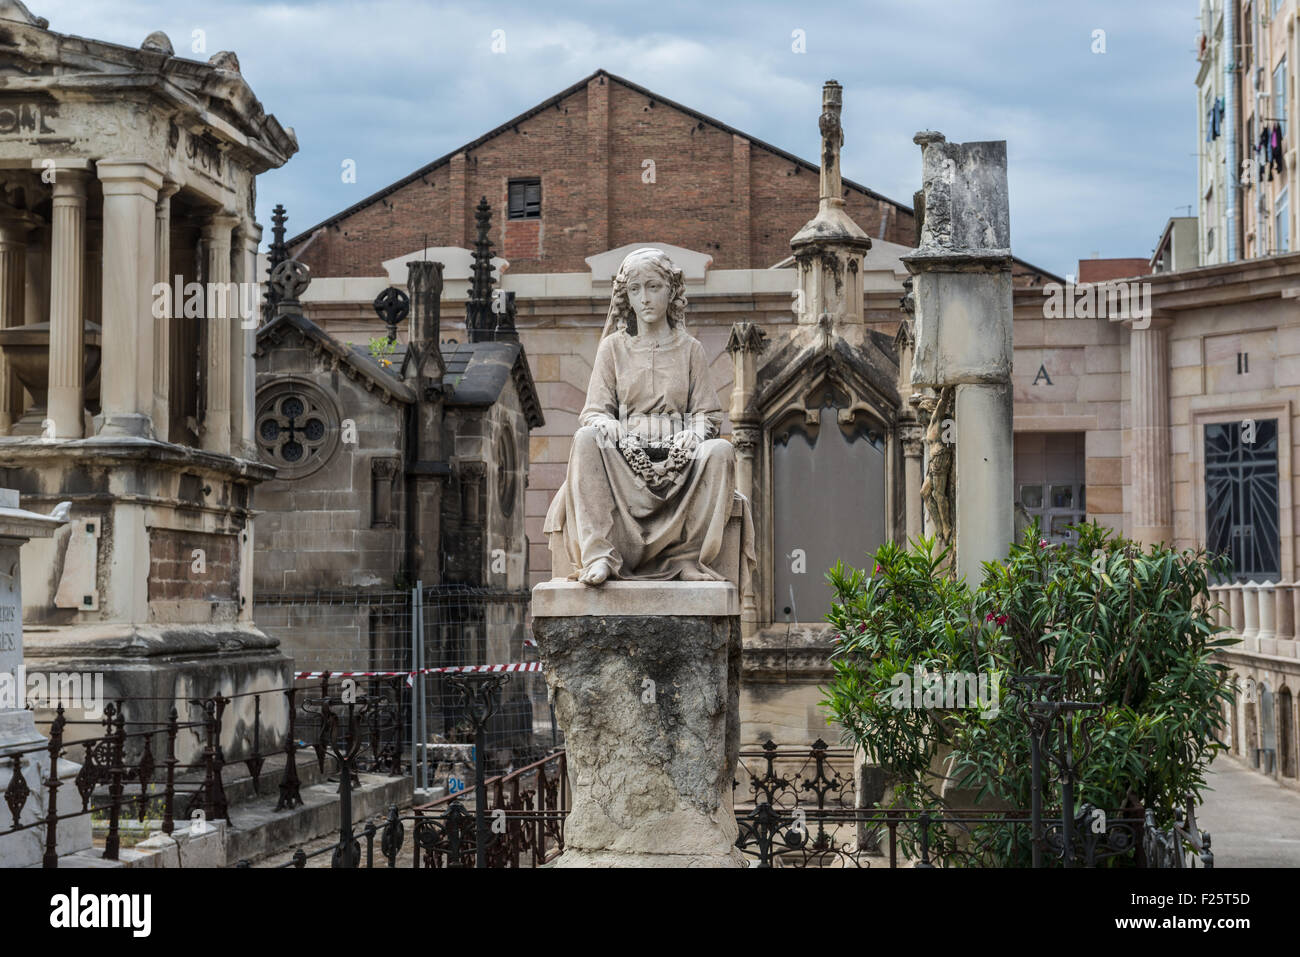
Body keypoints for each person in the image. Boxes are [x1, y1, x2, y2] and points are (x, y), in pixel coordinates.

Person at [544, 248, 739, 585]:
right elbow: (594, 410)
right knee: (586, 439)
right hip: (625, 455)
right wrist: (609, 425)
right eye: (635, 290)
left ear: (671, 291)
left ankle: (686, 559)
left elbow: (707, 413)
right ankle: (600, 555)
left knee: (720, 451)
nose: (645, 298)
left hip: (681, 458)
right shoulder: (613, 349)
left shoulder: (690, 349)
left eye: (653, 287)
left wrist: (693, 432)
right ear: (626, 297)